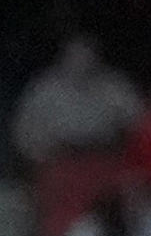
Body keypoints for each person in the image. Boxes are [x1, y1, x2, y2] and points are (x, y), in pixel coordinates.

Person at [14, 28, 143, 166]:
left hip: (105, 159)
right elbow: (24, 133)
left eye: (87, 53)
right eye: (74, 54)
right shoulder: (43, 88)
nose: (81, 59)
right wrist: (44, 157)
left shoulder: (115, 86)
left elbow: (138, 122)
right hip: (59, 162)